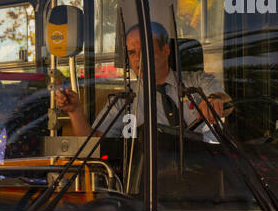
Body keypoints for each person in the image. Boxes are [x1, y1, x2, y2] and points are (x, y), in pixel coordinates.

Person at [55, 22, 230, 140]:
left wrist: (213, 102)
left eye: (146, 50)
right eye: (132, 53)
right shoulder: (126, 99)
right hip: (153, 183)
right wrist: (75, 111)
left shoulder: (197, 82)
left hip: (208, 174)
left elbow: (224, 100)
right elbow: (92, 146)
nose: (138, 59)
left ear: (165, 50)